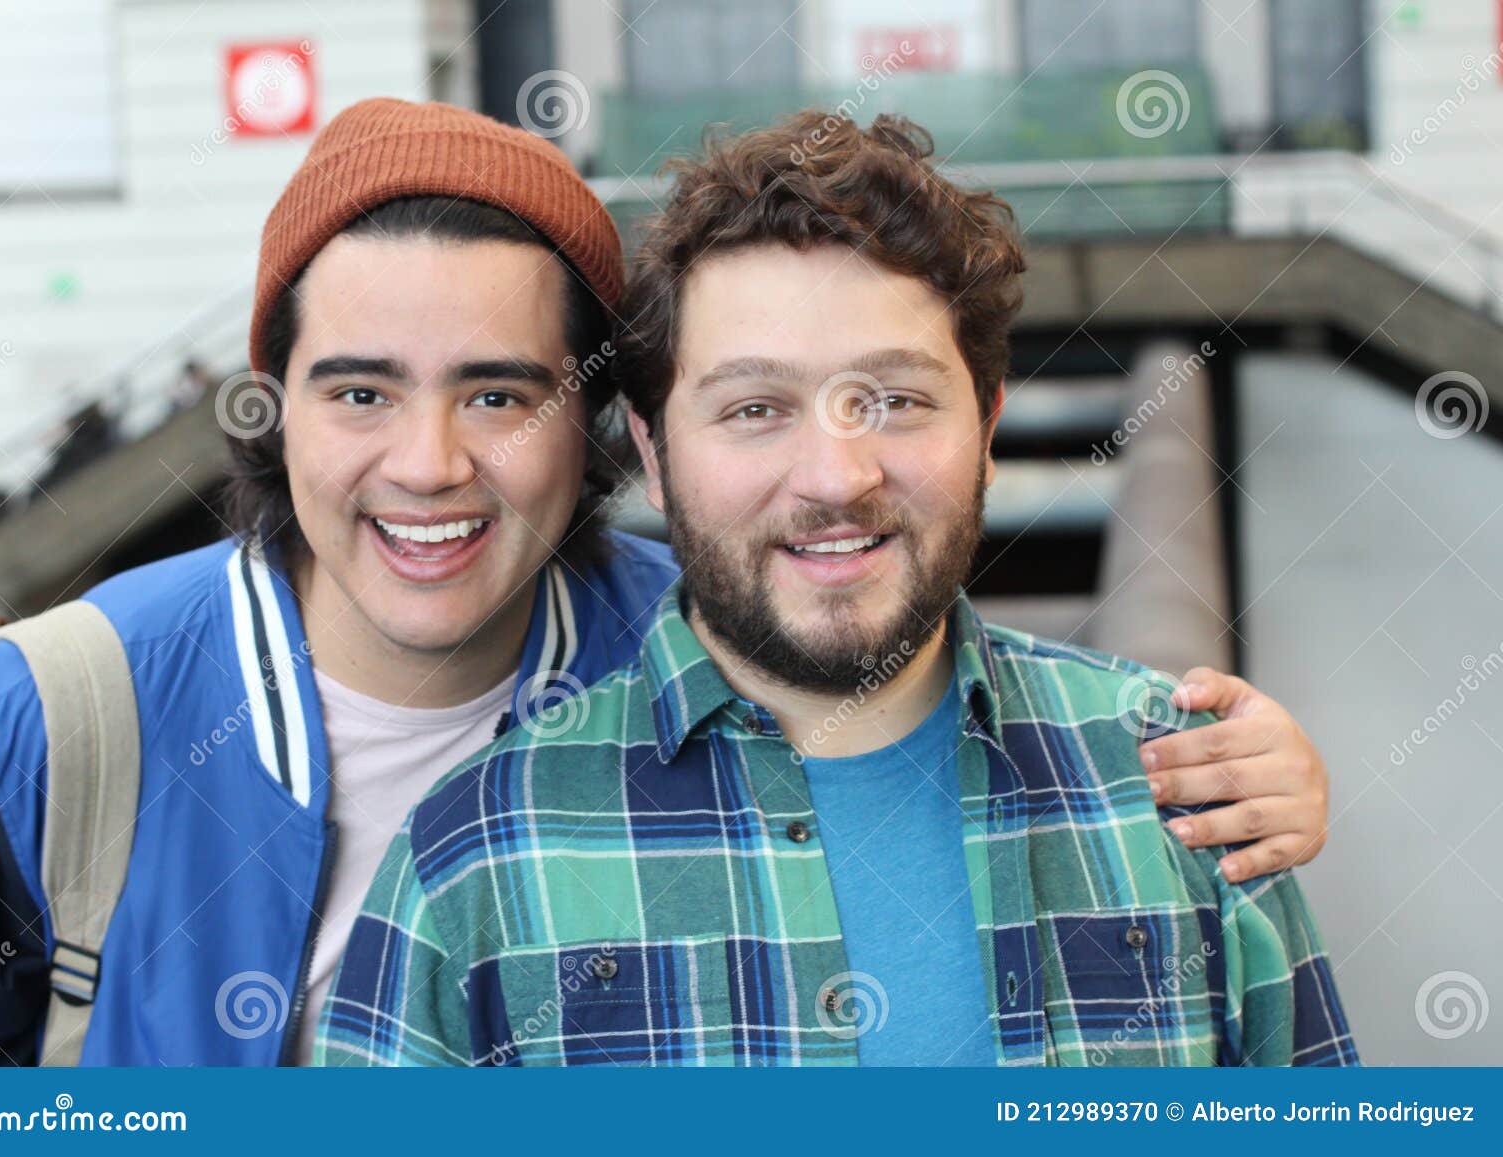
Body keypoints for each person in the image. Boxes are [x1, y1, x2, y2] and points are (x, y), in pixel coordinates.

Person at [0, 101, 1326, 1067]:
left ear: (597, 428)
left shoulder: (706, 636)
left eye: (500, 393)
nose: (428, 463)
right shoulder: (56, 714)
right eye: (357, 392)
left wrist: (1216, 754)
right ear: (272, 403)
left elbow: (896, 656)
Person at [316, 112, 1356, 1068]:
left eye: (895, 398)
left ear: (985, 420)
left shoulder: (1187, 797)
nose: (835, 475)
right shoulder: (476, 861)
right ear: (652, 443)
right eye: (756, 407)